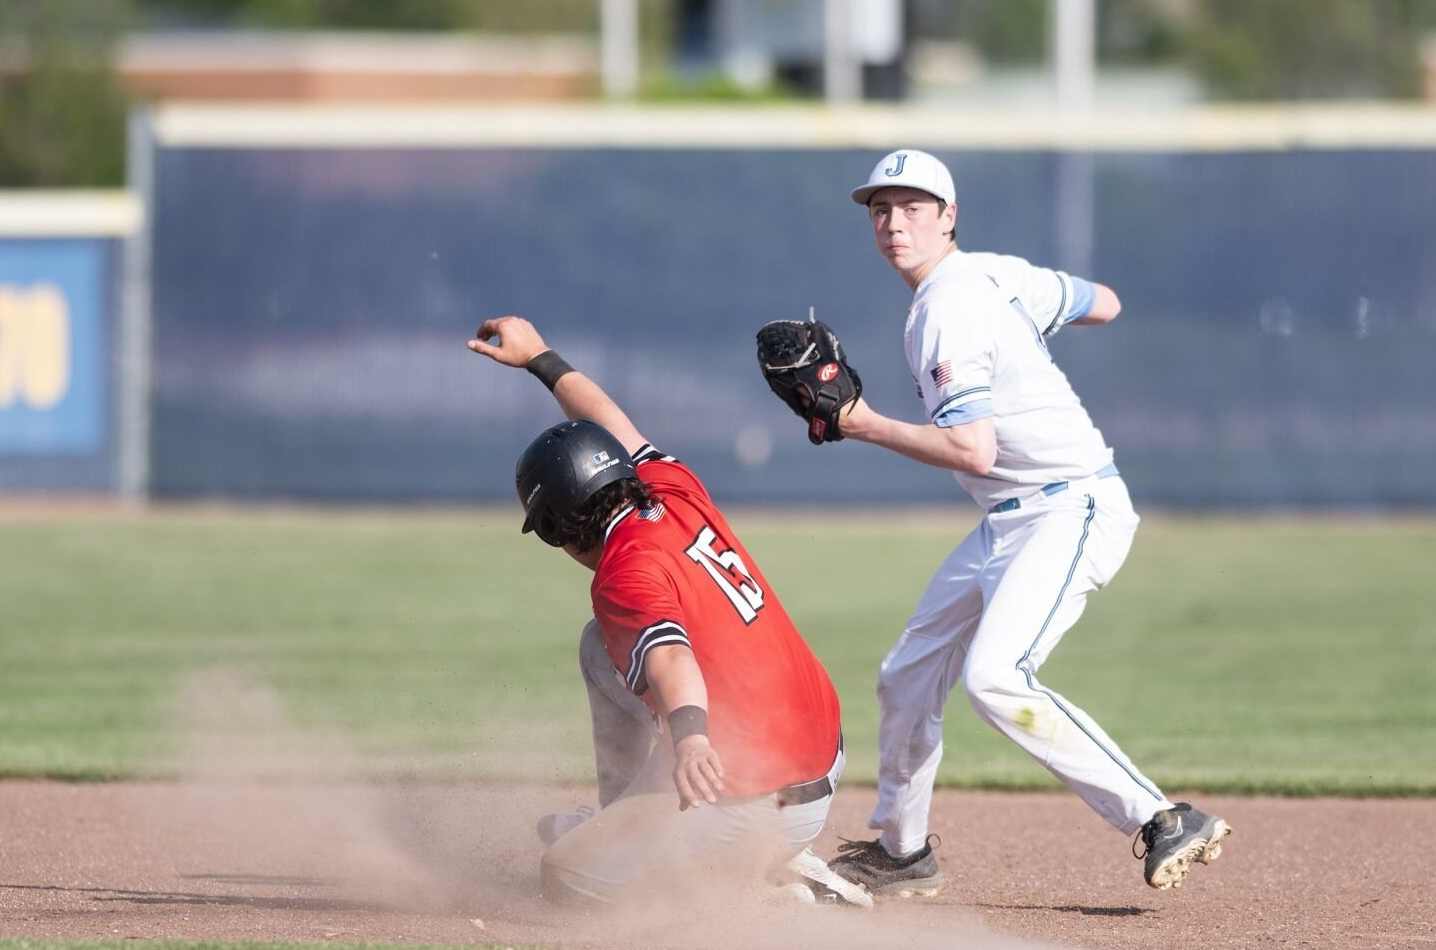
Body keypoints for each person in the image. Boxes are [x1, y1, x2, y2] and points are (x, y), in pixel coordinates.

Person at [820, 149, 1231, 895]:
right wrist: (1028, 338)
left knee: (994, 677)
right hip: (1009, 522)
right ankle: (902, 851)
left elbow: (972, 450)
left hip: (1069, 506)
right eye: (880, 208)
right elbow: (1102, 301)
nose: (892, 222)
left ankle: (1163, 816)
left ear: (949, 217)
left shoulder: (946, 309)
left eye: (913, 207)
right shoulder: (997, 274)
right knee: (908, 675)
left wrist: (860, 422)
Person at [466, 314, 868, 907]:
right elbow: (609, 423)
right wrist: (541, 357)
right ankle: (638, 827)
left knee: (567, 880)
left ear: (558, 530)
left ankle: (759, 895)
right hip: (820, 756)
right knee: (597, 647)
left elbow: (671, 656)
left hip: (753, 795)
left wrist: (694, 739)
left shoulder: (621, 574)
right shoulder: (671, 488)